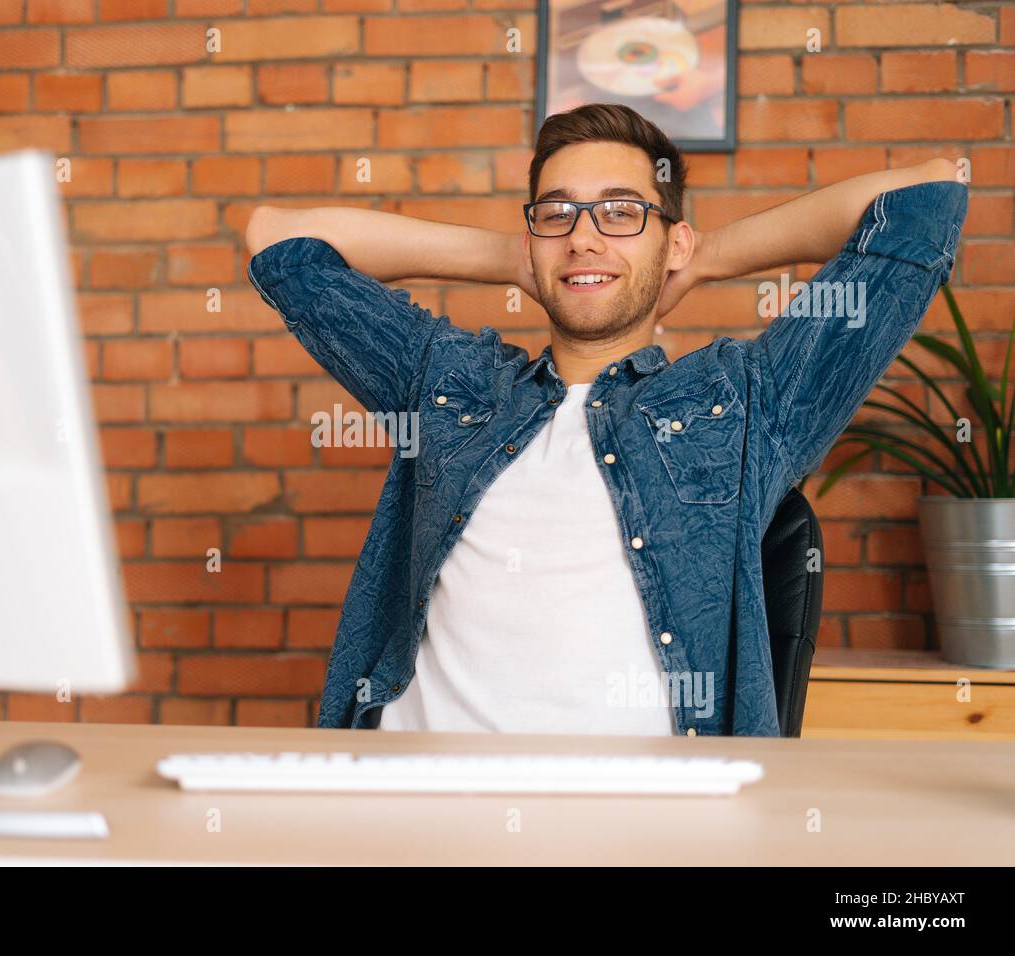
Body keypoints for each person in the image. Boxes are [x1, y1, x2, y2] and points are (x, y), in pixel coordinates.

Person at [245, 103, 968, 736]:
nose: (584, 239)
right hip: (410, 807)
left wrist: (711, 255)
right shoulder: (447, 382)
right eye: (557, 213)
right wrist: (511, 257)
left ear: (671, 239)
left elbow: (928, 196)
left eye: (621, 212)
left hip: (639, 824)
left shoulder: (746, 401)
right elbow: (280, 241)